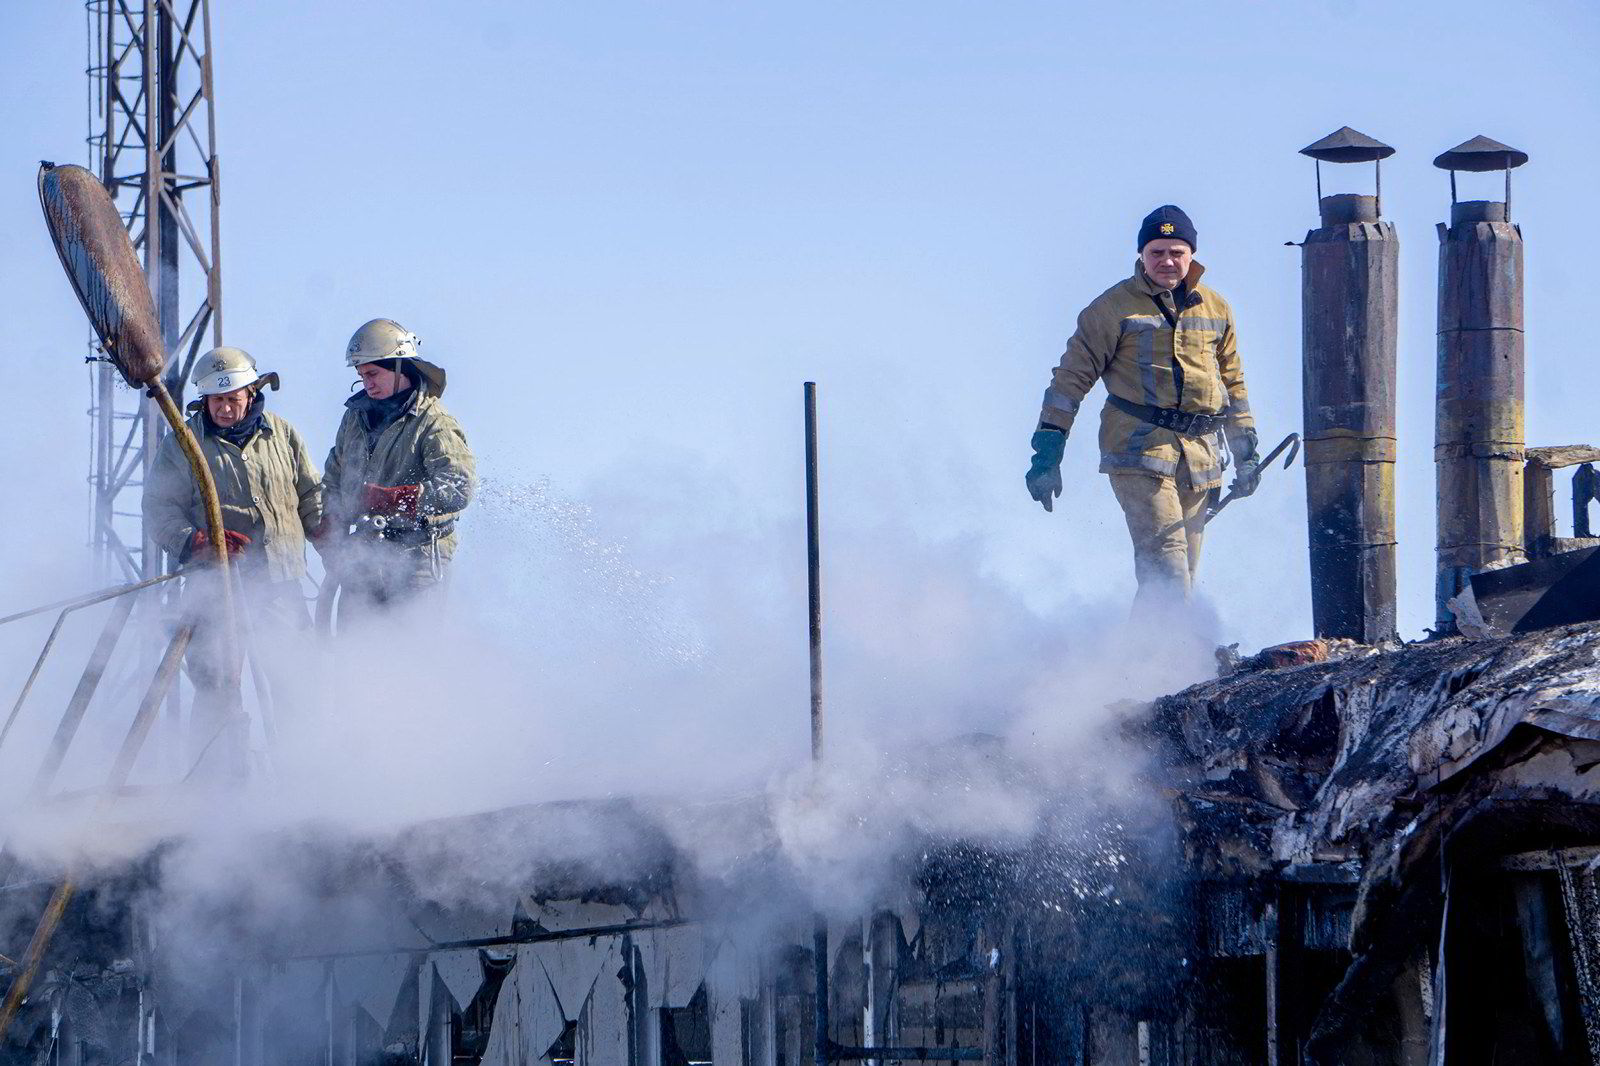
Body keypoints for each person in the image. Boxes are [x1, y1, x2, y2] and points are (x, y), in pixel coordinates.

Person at [1025, 205, 1261, 609]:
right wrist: (1048, 447)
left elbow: (1233, 382)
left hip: (1201, 457)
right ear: (1141, 255)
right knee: (1165, 567)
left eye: (1176, 252)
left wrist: (1247, 452)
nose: (1167, 261)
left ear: (1192, 255)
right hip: (1138, 450)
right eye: (1157, 252)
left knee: (1183, 570)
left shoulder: (1217, 308)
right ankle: (1171, 663)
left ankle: (1147, 665)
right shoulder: (1112, 309)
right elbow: (1070, 380)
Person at [143, 346, 322, 768]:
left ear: (252, 393)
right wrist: (198, 542)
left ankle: (304, 779)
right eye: (216, 400)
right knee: (217, 685)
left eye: (233, 398)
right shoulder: (183, 444)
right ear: (203, 400)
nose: (224, 408)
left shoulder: (283, 434)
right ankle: (217, 786)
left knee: (294, 678)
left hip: (279, 584)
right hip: (215, 586)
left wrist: (324, 530)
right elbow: (159, 508)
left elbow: (309, 492)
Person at [320, 318, 475, 620]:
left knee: (410, 654)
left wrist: (400, 499)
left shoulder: (433, 422)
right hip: (363, 557)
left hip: (417, 563)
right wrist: (331, 528)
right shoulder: (354, 420)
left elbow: (460, 486)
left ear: (400, 367)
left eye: (373, 374)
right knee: (356, 653)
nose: (367, 383)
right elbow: (334, 480)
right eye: (362, 375)